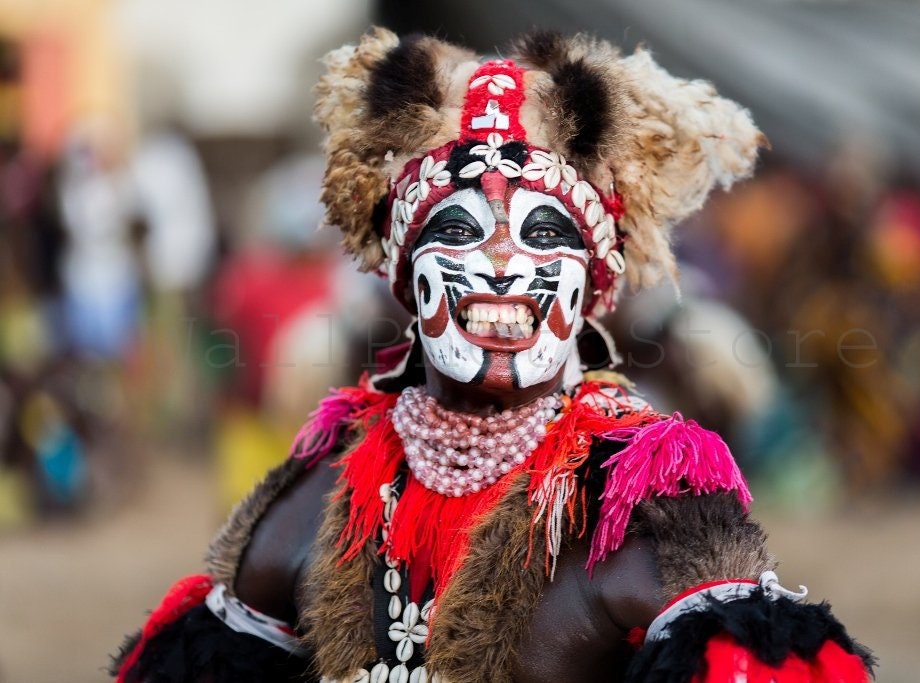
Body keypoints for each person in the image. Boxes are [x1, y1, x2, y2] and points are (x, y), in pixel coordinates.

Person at [113, 29, 874, 683]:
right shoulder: (314, 498)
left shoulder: (643, 511)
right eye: (459, 230)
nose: (503, 262)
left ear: (591, 285)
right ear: (405, 281)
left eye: (544, 234)